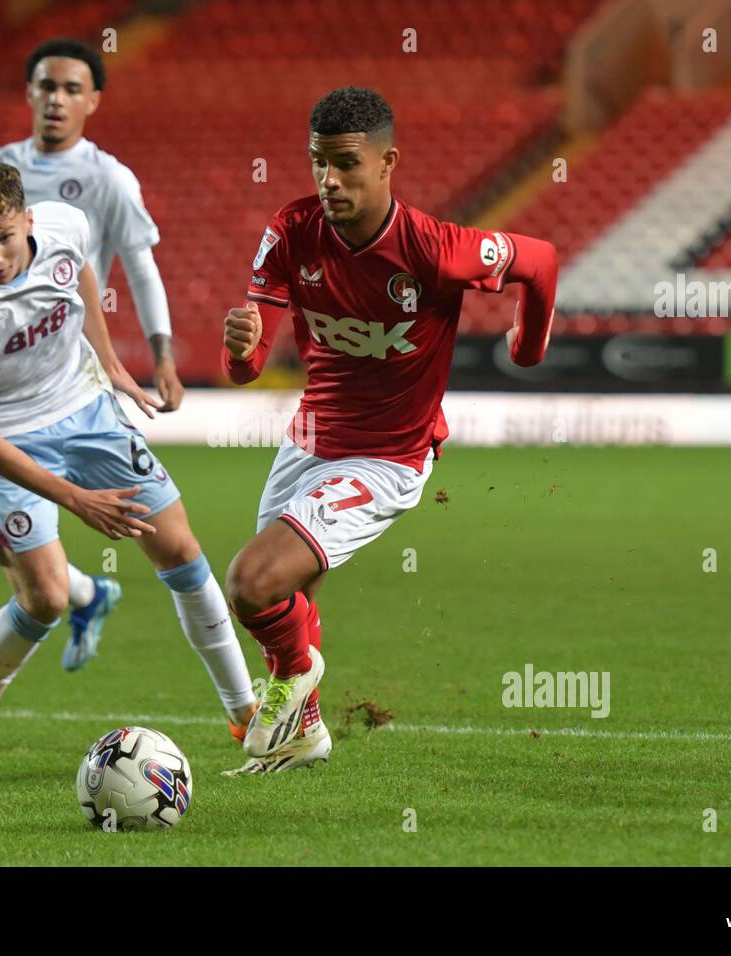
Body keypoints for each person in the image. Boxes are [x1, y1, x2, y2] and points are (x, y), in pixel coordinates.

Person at [220, 87, 558, 773]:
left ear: (387, 163)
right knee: (289, 595)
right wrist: (239, 348)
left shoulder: (434, 250)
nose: (329, 180)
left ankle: (293, 678)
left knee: (253, 583)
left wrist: (527, 347)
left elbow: (540, 261)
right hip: (308, 441)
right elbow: (249, 367)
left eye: (346, 164)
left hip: (387, 458)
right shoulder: (291, 231)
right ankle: (308, 734)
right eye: (318, 163)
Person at [0, 38, 190, 704]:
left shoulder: (108, 179)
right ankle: (79, 596)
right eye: (46, 86)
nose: (56, 99)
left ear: (93, 101)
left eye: (71, 88)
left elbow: (135, 264)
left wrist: (158, 351)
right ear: (29, 94)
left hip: (59, 379)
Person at [0, 163, 255, 753]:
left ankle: (245, 711)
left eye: (5, 237)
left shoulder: (66, 225)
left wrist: (111, 363)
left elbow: (82, 276)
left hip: (88, 409)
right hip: (9, 438)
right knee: (45, 598)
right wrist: (76, 500)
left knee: (180, 548)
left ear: (27, 219)